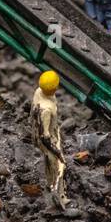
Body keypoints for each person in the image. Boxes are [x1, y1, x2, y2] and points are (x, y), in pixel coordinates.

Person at [30, 70, 70, 211]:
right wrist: (57, 151)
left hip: (41, 132)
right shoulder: (46, 109)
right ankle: (58, 195)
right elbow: (45, 136)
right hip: (47, 138)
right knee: (59, 165)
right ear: (54, 88)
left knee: (49, 161)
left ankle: (50, 183)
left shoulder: (38, 92)